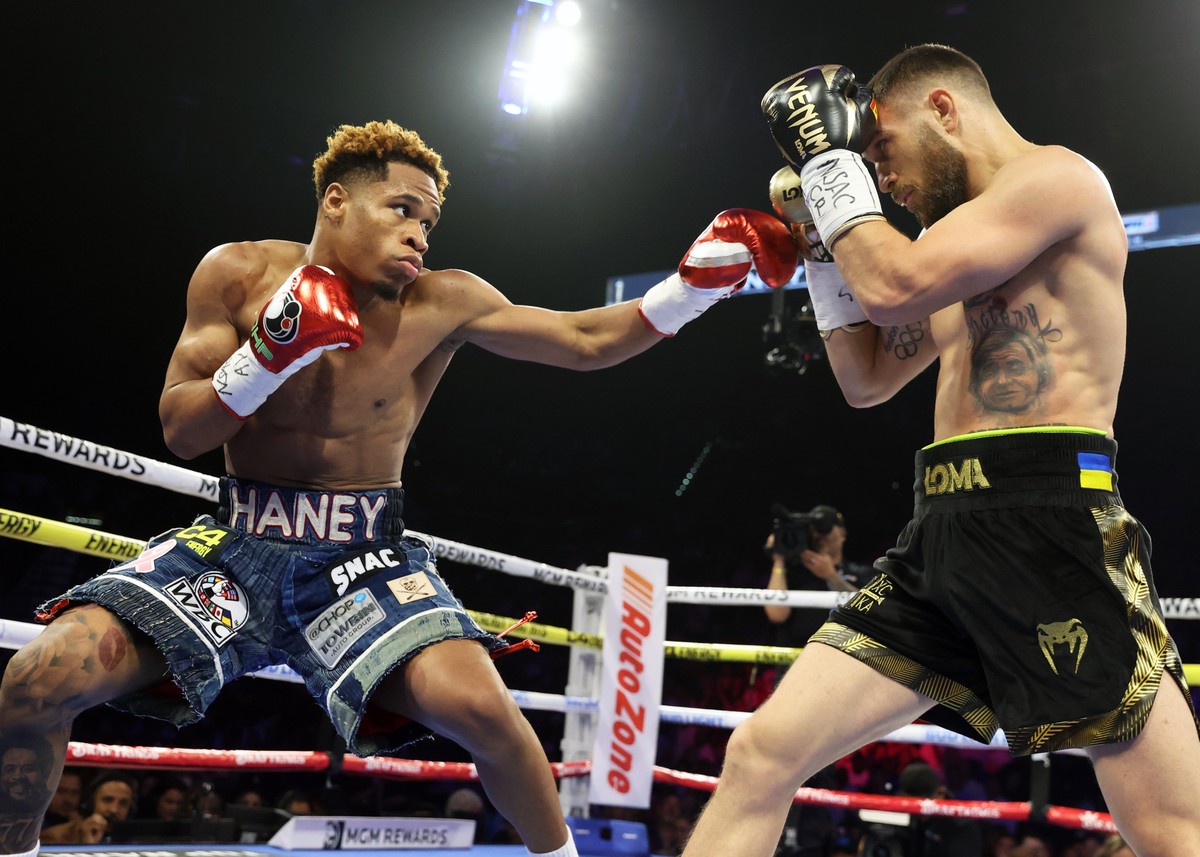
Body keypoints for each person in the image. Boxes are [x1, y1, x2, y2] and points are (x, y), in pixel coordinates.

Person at [0, 119, 798, 857]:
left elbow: (583, 339)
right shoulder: (238, 273)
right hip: (236, 544)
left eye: (432, 219)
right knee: (36, 681)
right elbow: (182, 430)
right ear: (337, 200)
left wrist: (692, 290)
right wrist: (267, 357)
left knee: (488, 712)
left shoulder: (443, 300)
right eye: (403, 208)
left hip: (362, 556)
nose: (420, 231)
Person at [680, 44, 1200, 857]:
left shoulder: (1060, 181)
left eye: (880, 151)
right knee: (760, 754)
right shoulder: (948, 241)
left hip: (1052, 524)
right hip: (943, 537)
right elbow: (866, 377)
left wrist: (826, 165)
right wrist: (820, 246)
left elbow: (892, 286)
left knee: (1171, 831)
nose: (881, 179)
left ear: (944, 110)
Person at [40, 772, 136, 845]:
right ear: (91, 803)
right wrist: (87, 847)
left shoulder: (139, 840)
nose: (114, 809)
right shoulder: (54, 836)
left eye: (123, 803)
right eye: (107, 800)